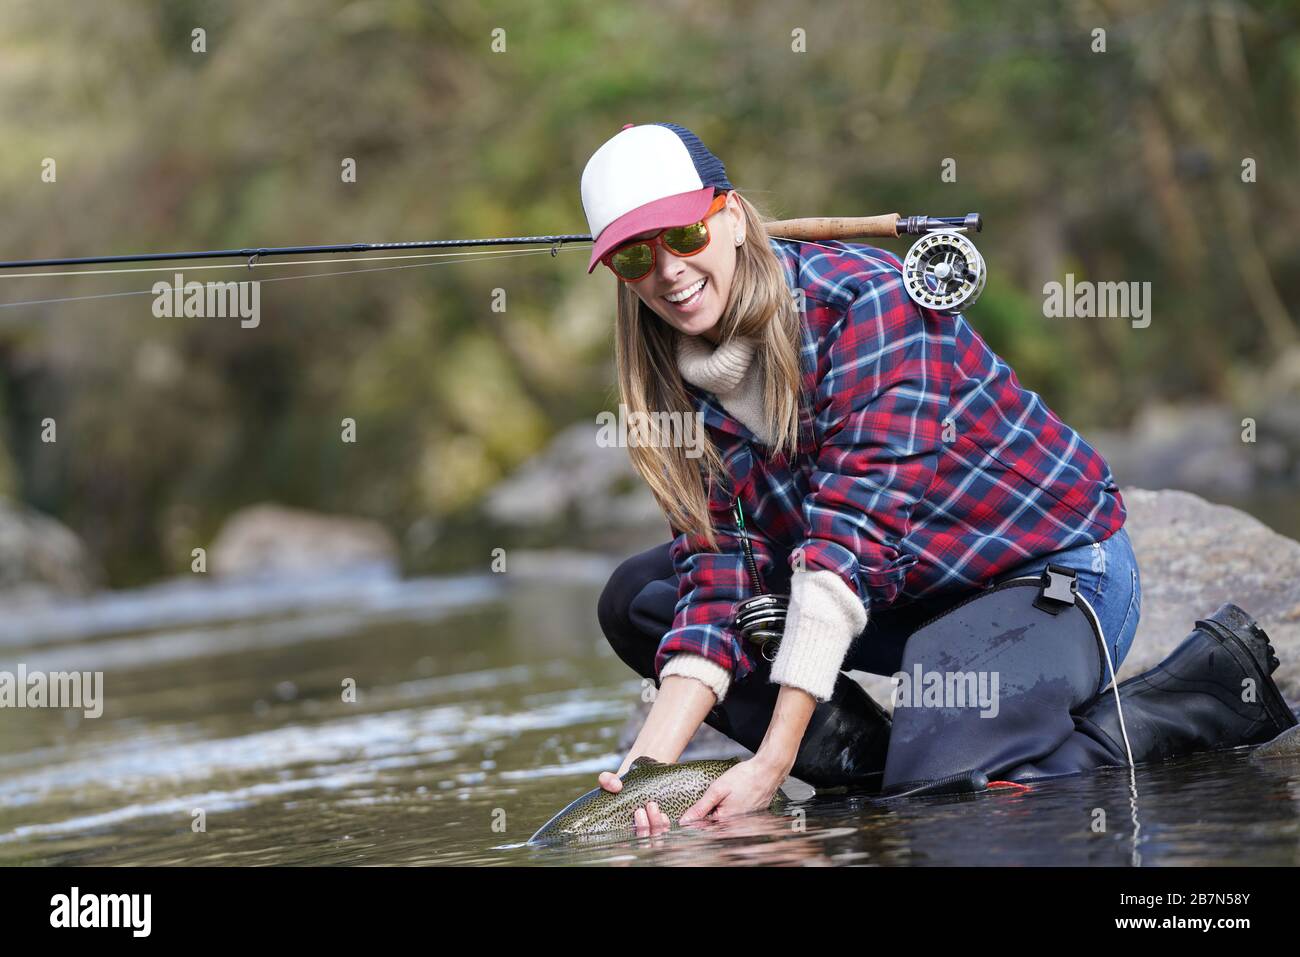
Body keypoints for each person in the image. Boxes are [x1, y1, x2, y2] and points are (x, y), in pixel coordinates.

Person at [581, 122, 1296, 835]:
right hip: (905, 597)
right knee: (642, 599)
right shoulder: (672, 383)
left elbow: (843, 553)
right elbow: (716, 587)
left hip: (1044, 575)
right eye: (636, 253)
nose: (667, 269)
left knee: (938, 800)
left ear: (732, 217)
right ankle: (882, 765)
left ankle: (1188, 699)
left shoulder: (869, 305)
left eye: (684, 235)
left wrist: (772, 763)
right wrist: (645, 775)